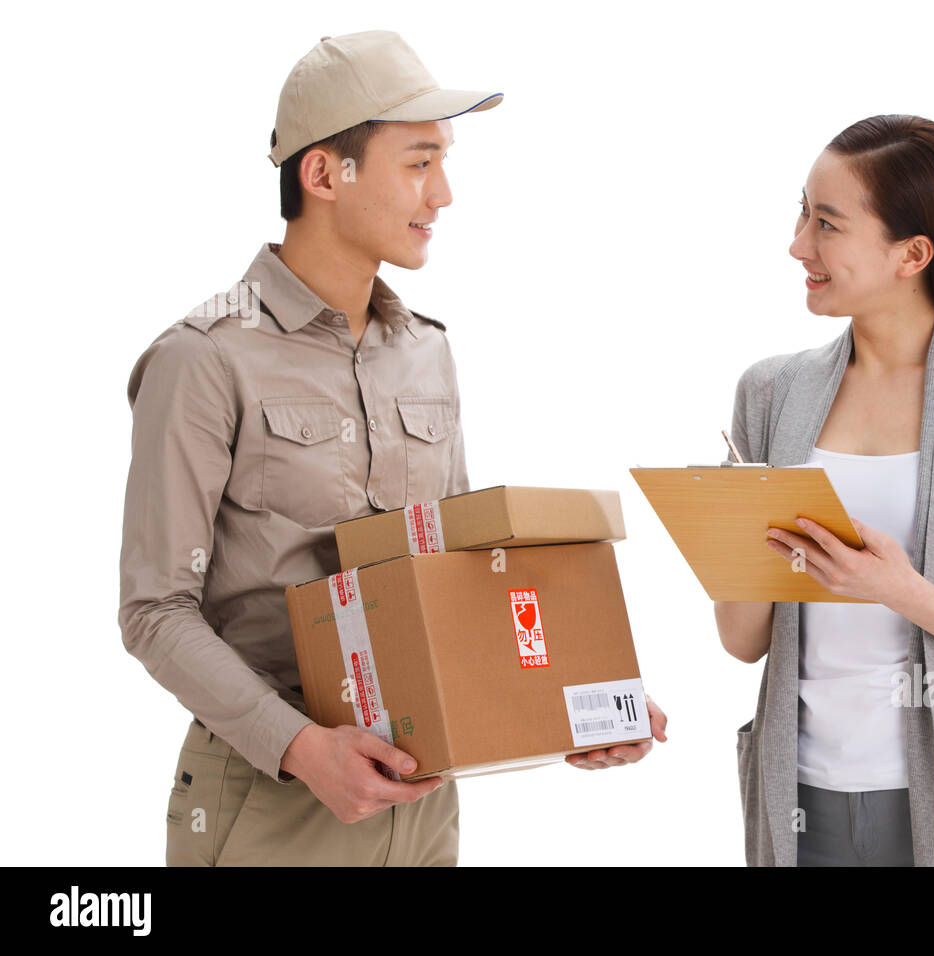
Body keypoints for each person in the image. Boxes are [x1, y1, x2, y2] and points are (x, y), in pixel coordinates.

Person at [118, 30, 666, 867]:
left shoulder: (426, 350)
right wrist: (303, 748)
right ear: (324, 173)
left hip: (424, 791)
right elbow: (154, 612)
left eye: (442, 162)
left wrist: (575, 699)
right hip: (271, 802)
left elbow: (463, 576)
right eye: (418, 162)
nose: (443, 193)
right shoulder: (204, 357)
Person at [715, 114, 934, 866]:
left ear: (912, 253)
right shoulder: (770, 394)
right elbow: (742, 643)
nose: (797, 245)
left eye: (827, 223)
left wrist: (897, 588)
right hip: (802, 792)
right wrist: (731, 539)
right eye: (801, 212)